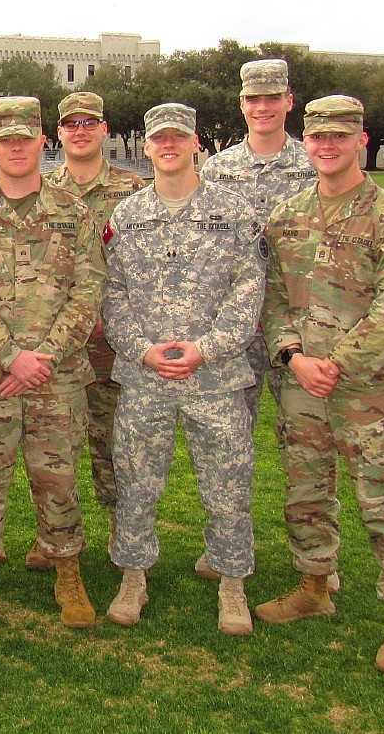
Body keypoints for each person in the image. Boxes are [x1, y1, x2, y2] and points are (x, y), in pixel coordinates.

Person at [256, 95, 384, 676]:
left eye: (339, 136)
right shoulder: (286, 216)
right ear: (305, 142)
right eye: (317, 137)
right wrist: (295, 357)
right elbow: (274, 298)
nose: (326, 146)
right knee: (306, 492)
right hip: (303, 385)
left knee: (383, 503)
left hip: (366, 393)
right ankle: (314, 585)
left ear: (362, 140)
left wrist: (335, 362)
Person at [0, 95, 103, 633]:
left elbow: (88, 289)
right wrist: (11, 355)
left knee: (57, 478)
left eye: (25, 138)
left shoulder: (72, 212)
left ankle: (67, 569)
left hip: (56, 377)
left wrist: (45, 357)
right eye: (5, 138)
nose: (15, 147)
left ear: (42, 141)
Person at [103, 103, 265, 636]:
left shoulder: (235, 210)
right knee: (135, 482)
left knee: (228, 484)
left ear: (196, 142)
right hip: (145, 376)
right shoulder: (128, 216)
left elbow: (249, 289)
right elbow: (114, 293)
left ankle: (232, 582)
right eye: (158, 139)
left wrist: (208, 348)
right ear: (146, 147)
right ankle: (133, 576)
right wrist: (140, 348)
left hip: (215, 378)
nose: (168, 145)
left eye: (179, 137)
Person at [195, 58, 321, 585]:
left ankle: (315, 559)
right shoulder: (218, 170)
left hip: (302, 324)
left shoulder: (314, 162)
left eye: (273, 98)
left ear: (289, 101)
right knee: (227, 445)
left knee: (308, 446)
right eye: (253, 99)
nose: (263, 108)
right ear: (242, 104)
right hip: (235, 330)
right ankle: (227, 548)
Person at [26, 90, 144, 571]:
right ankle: (51, 536)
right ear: (58, 133)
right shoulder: (40, 189)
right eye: (70, 124)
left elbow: (144, 268)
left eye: (89, 123)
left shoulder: (134, 191)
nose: (80, 131)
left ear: (105, 129)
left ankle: (124, 534)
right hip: (59, 344)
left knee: (115, 443)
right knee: (53, 444)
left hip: (116, 343)